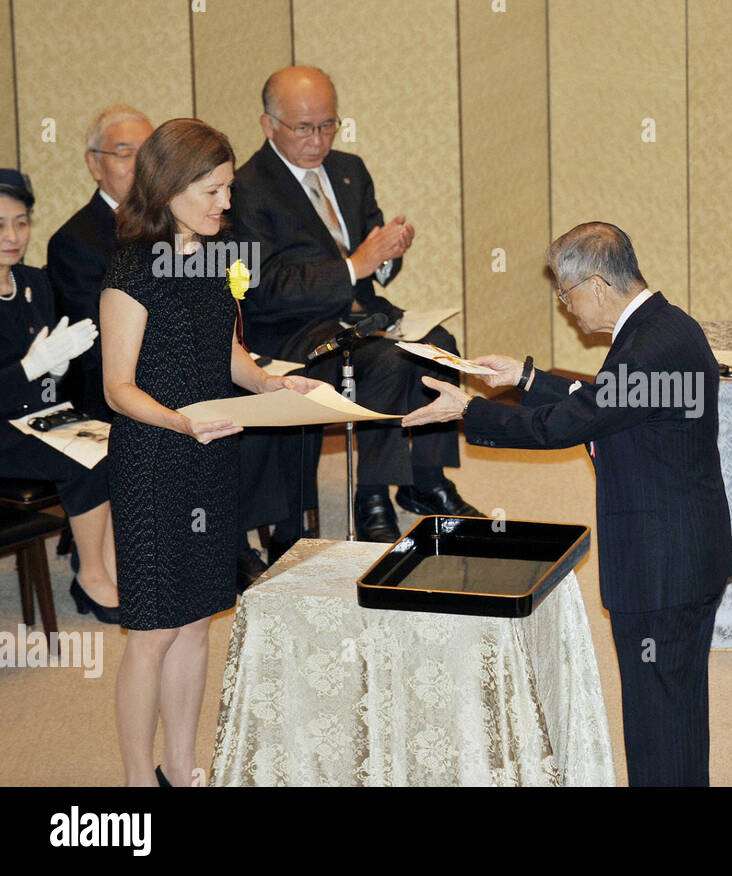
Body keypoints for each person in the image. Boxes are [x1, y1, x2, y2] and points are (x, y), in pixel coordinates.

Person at [403, 222, 732, 786]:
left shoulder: (647, 350)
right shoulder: (665, 328)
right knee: (672, 713)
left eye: (566, 292)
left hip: (661, 571)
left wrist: (470, 412)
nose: (567, 307)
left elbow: (568, 425)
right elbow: (607, 404)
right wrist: (527, 377)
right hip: (683, 555)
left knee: (661, 725)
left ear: (599, 284)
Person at [101, 119, 321, 787]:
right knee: (153, 632)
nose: (226, 204)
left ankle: (180, 766)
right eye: (213, 190)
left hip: (209, 454)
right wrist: (178, 422)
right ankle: (140, 783)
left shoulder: (218, 258)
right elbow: (117, 386)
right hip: (152, 459)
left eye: (228, 190)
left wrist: (271, 383)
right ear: (169, 186)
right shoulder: (131, 267)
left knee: (196, 622)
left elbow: (227, 353)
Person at [229, 65, 479, 550]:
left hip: (361, 312)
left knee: (440, 346)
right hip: (292, 330)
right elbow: (263, 288)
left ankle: (426, 481)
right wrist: (354, 265)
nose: (318, 140)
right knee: (388, 359)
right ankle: (372, 495)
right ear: (268, 125)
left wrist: (387, 254)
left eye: (328, 125)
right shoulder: (247, 189)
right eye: (304, 127)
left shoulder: (350, 170)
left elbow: (372, 254)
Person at [0, 168, 119, 623]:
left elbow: (54, 383)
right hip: (4, 429)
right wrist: (32, 366)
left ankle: (107, 563)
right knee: (82, 457)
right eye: (1, 225)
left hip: (39, 415)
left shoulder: (34, 282)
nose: (14, 235)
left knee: (117, 440)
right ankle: (91, 574)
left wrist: (60, 365)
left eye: (22, 222)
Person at [46, 105, 153, 422]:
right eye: (124, 154)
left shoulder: (173, 225)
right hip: (114, 403)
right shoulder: (75, 243)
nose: (139, 167)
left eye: (147, 154)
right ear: (95, 164)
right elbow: (98, 350)